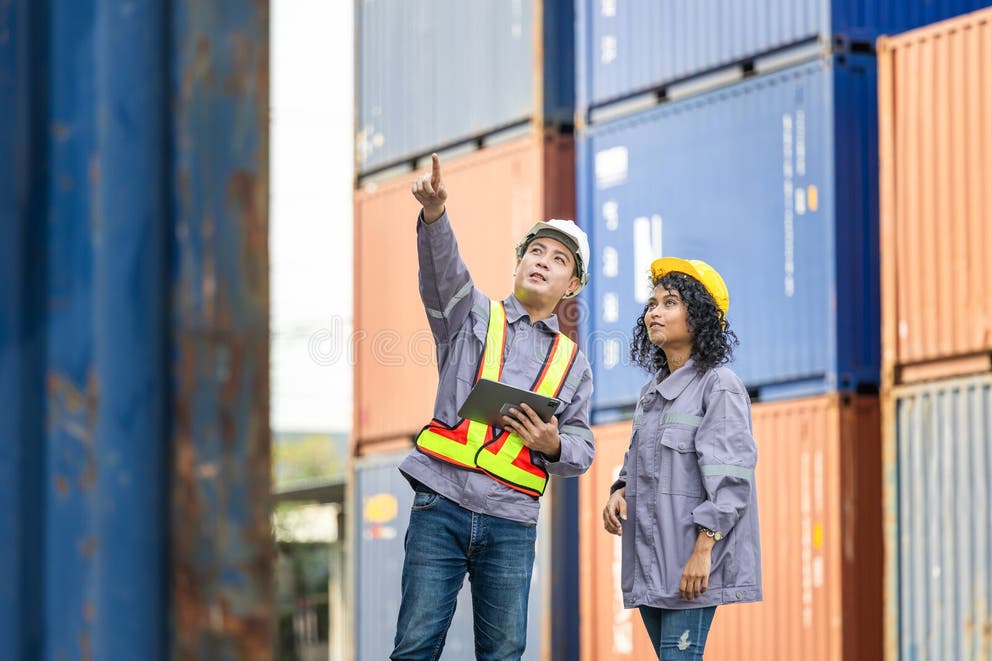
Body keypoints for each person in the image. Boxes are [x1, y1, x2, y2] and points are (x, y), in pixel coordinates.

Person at [391, 154, 595, 661]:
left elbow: (583, 446)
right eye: (536, 250)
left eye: (558, 258)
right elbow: (441, 274)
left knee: (504, 654)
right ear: (519, 261)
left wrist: (553, 444)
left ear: (571, 285)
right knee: (415, 648)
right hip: (441, 504)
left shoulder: (573, 364)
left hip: (511, 520)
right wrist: (435, 215)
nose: (543, 260)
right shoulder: (470, 315)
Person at [602, 258, 762, 660]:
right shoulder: (651, 393)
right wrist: (619, 490)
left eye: (669, 302)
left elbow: (731, 480)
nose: (654, 311)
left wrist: (703, 550)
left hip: (692, 564)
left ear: (701, 317)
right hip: (652, 563)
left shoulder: (718, 386)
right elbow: (638, 461)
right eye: (652, 303)